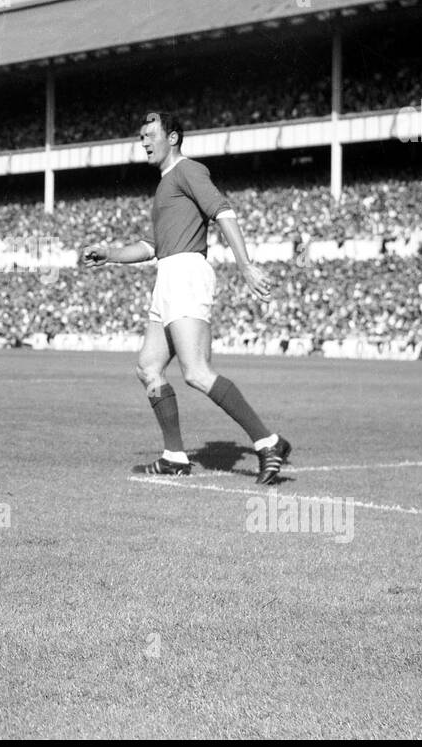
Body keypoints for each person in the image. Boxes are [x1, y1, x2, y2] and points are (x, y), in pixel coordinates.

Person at [81, 111, 292, 482]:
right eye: (140, 136)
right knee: (148, 367)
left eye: (150, 135)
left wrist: (245, 265)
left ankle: (266, 441)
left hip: (186, 274)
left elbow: (223, 211)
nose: (144, 142)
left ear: (173, 138)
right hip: (167, 274)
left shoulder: (189, 170)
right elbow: (153, 246)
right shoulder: (165, 185)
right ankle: (175, 456)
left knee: (196, 372)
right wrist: (111, 253)